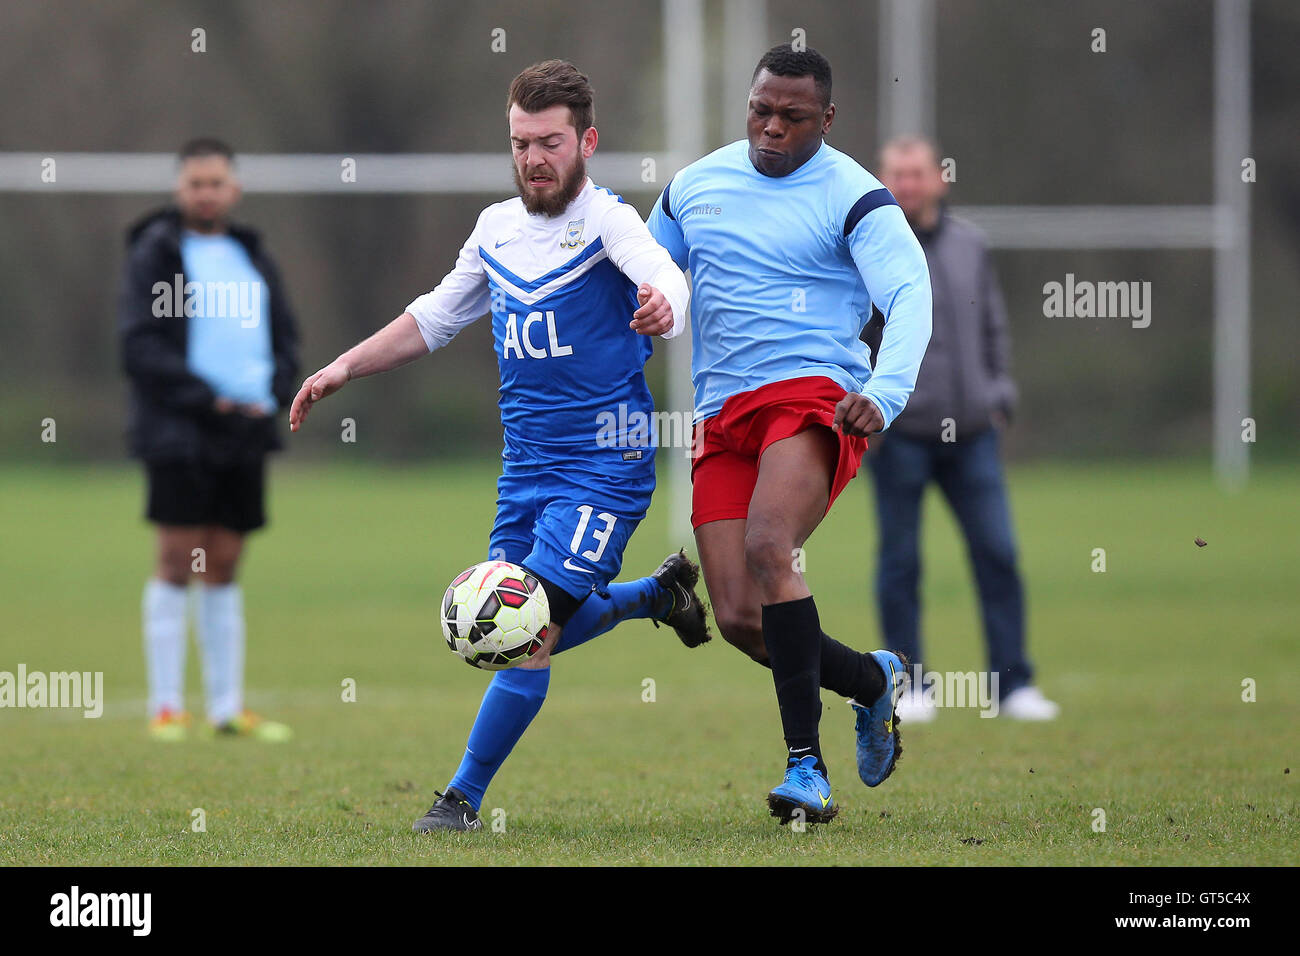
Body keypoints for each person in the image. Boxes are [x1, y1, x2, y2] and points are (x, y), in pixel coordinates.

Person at [289, 60, 709, 832]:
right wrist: (344, 365)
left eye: (548, 142)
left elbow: (665, 277)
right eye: (519, 143)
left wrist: (662, 304)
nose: (532, 158)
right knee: (498, 632)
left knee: (525, 625)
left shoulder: (610, 222)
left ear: (586, 141)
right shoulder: (495, 229)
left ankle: (459, 800)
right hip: (526, 469)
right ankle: (655, 597)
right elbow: (433, 318)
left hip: (604, 462)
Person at [646, 45, 932, 824]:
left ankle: (806, 770)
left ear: (827, 119)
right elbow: (652, 277)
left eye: (793, 117)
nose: (772, 128)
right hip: (721, 415)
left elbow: (908, 293)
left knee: (772, 548)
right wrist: (648, 309)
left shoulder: (854, 196)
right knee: (739, 615)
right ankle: (872, 685)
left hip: (812, 400)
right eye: (760, 110)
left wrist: (885, 391)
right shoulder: (692, 188)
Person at [863, 135, 1059, 722]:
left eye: (917, 172)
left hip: (973, 433)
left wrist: (1001, 394)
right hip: (899, 435)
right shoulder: (867, 250)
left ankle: (1013, 685)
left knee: (997, 552)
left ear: (938, 178)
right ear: (882, 180)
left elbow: (994, 325)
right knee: (901, 563)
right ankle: (911, 683)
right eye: (897, 173)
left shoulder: (971, 245)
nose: (908, 183)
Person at [119, 137, 300, 742]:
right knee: (177, 560)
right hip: (181, 428)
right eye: (195, 182)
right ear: (180, 188)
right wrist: (206, 399)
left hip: (247, 429)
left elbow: (285, 335)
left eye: (216, 182)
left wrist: (274, 387)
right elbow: (138, 345)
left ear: (234, 188)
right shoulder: (156, 251)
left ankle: (227, 709)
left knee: (223, 563)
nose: (205, 192)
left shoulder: (251, 253)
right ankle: (167, 706)